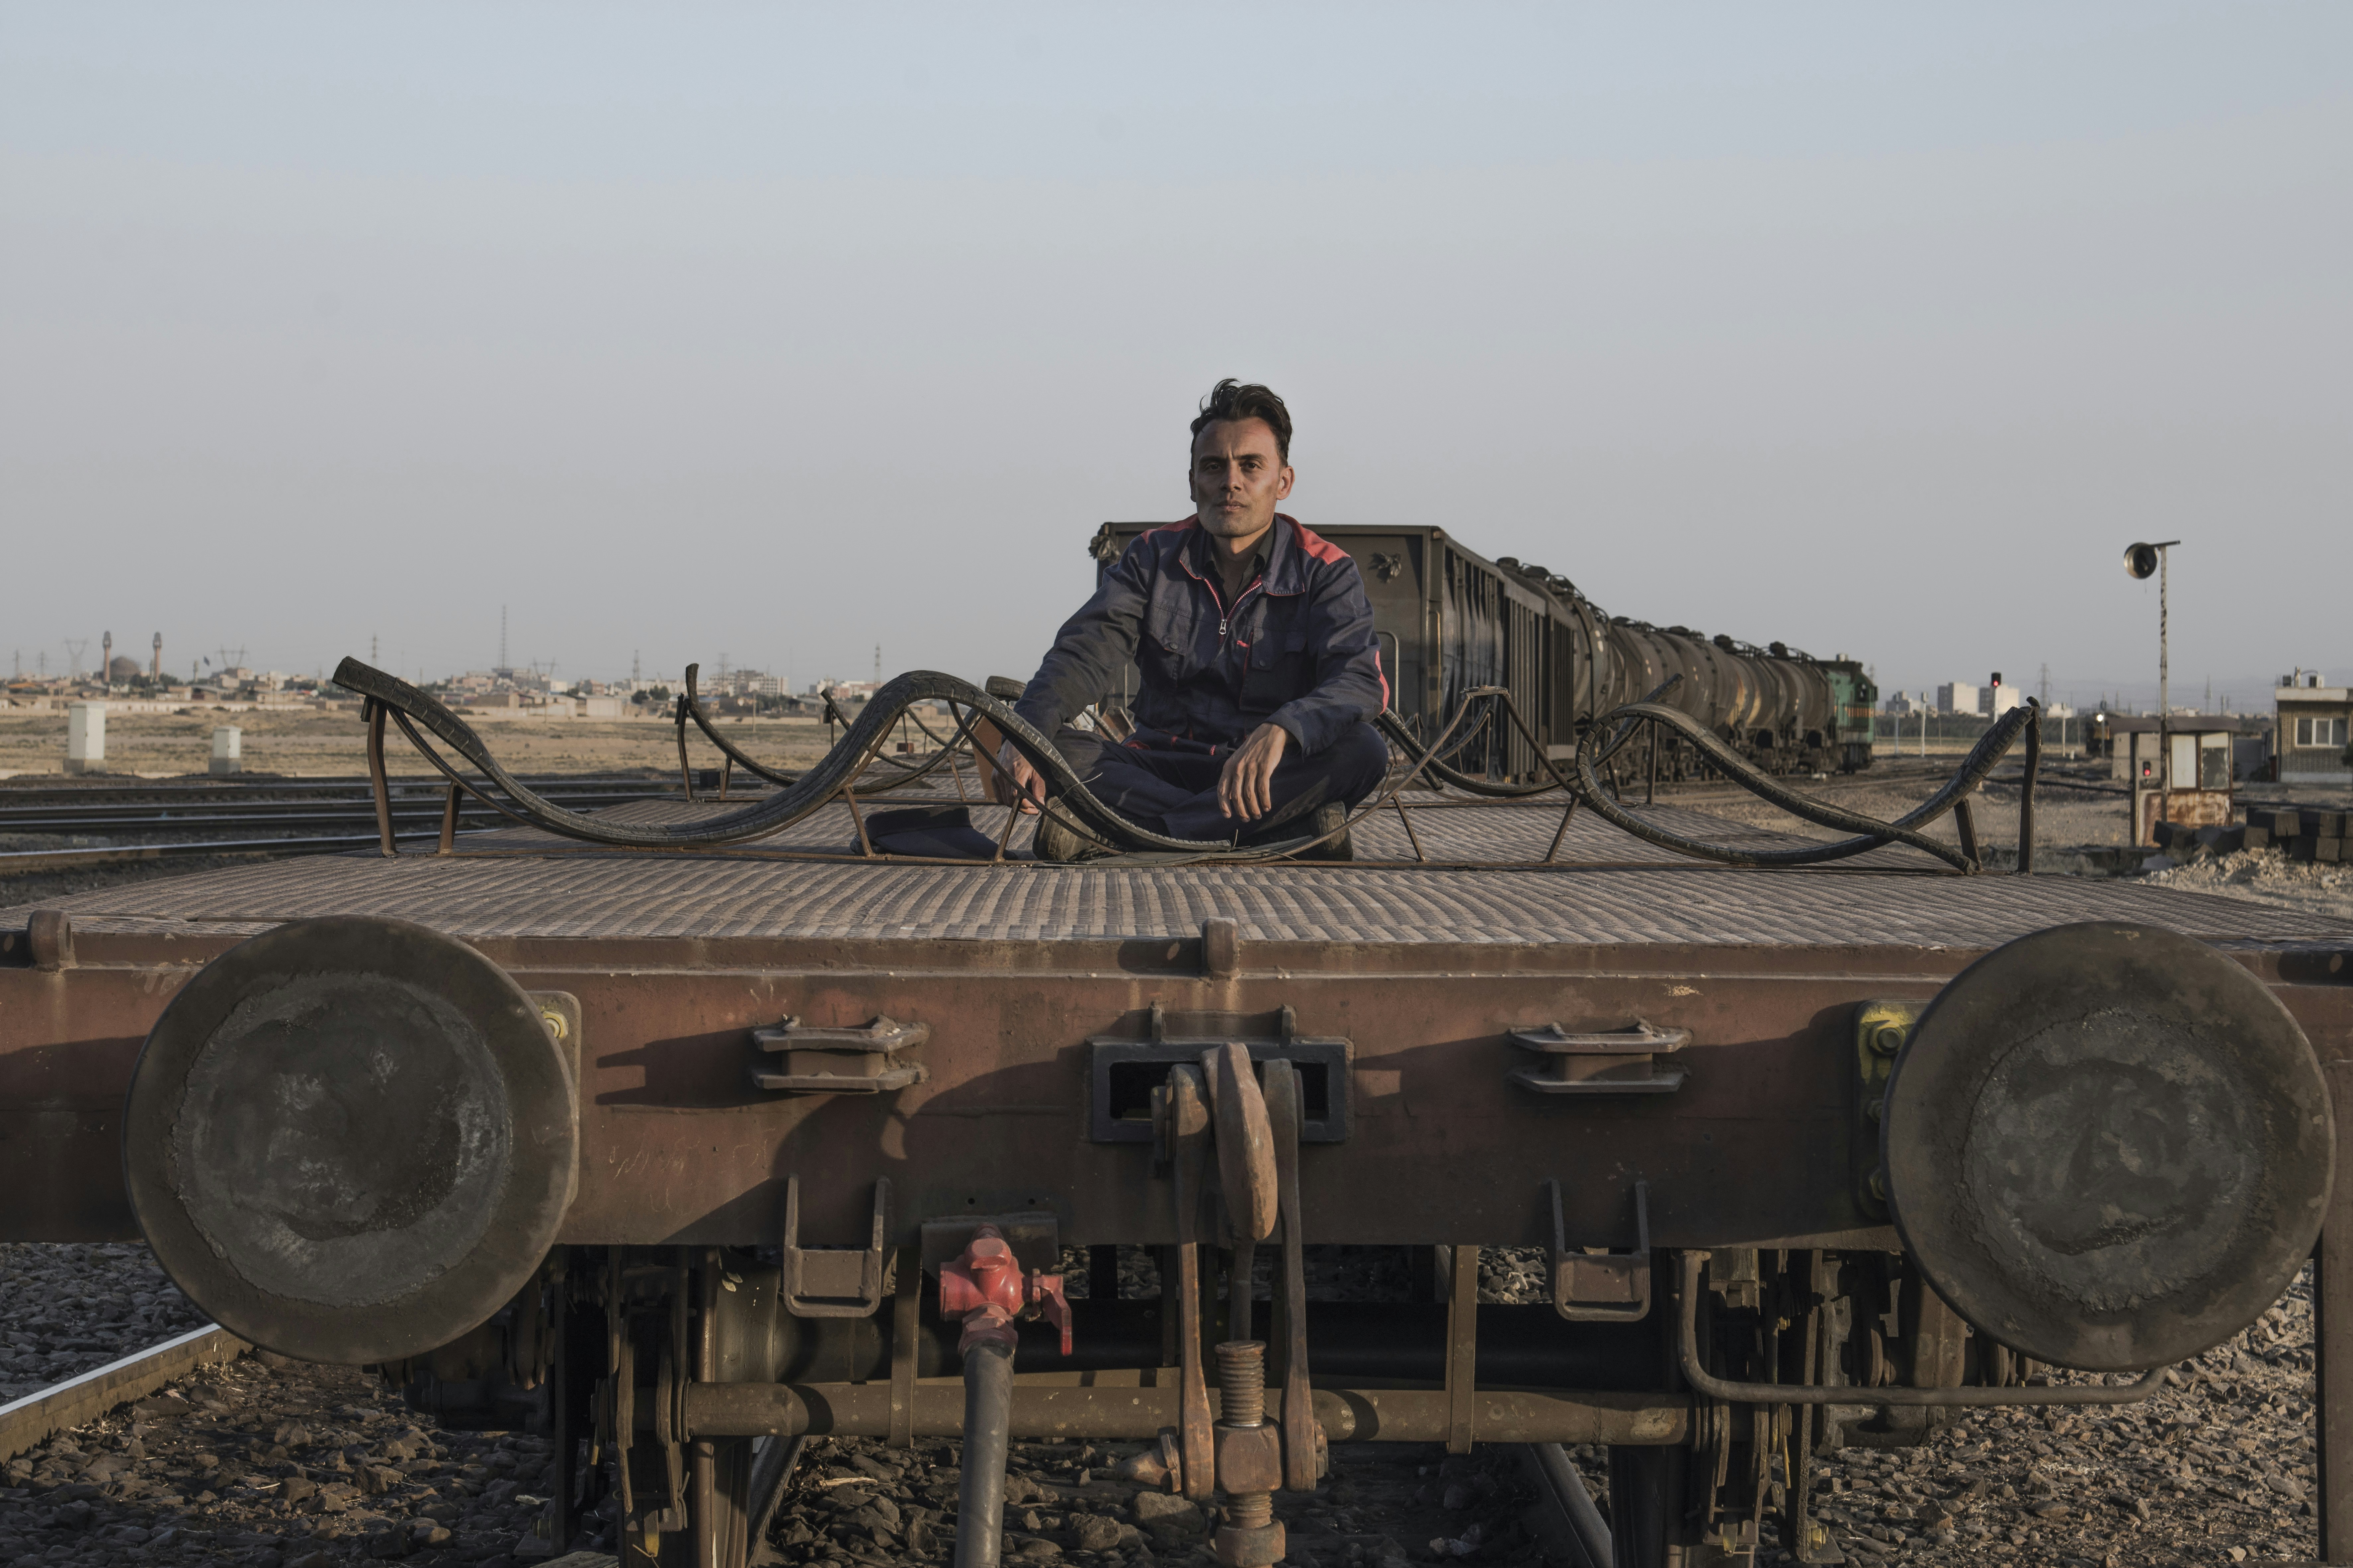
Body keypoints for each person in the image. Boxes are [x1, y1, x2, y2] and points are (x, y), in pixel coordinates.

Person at [992, 379, 1391, 861]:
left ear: (1282, 482)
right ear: (1192, 482)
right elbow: (1083, 652)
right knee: (1058, 747)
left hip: (1265, 775)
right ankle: (1269, 834)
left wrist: (1285, 728)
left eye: (1250, 466)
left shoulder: (1326, 571)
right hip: (1156, 766)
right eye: (1213, 466)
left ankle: (1132, 833)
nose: (1231, 482)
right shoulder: (1151, 558)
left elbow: (1359, 681)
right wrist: (1028, 735)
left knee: (1364, 751)